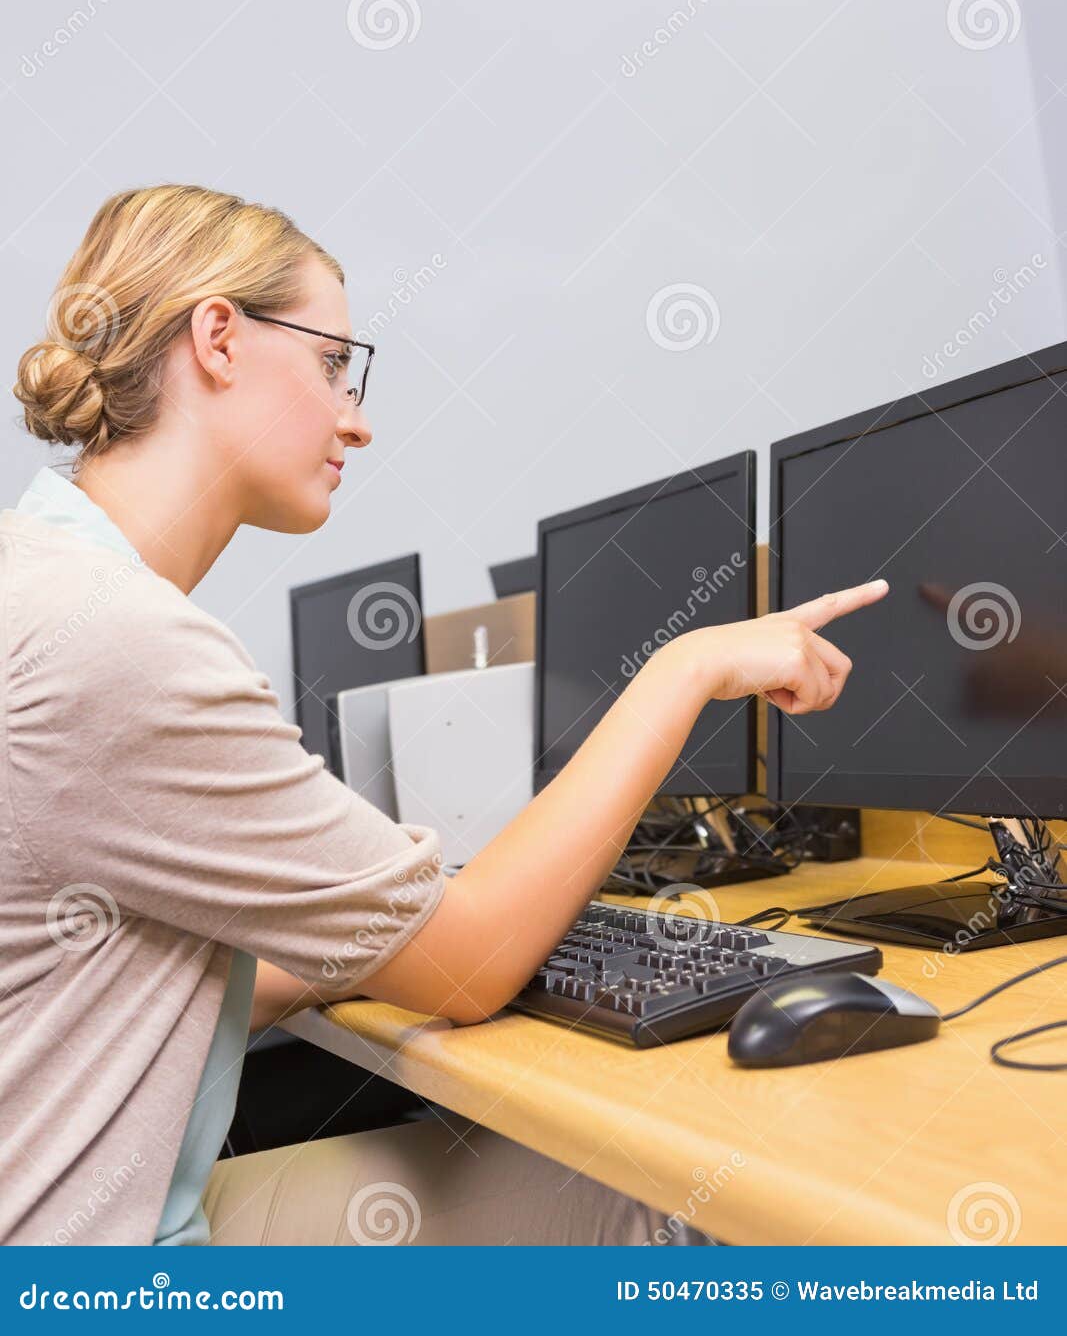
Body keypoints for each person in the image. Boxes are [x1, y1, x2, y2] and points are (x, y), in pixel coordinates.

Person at [0, 184, 888, 1246]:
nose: (356, 418)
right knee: (674, 1209)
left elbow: (124, 971)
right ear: (219, 339)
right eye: (334, 362)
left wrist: (349, 932)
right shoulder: (115, 640)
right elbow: (466, 968)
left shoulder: (46, 588)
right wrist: (684, 667)